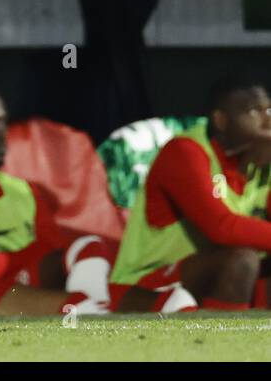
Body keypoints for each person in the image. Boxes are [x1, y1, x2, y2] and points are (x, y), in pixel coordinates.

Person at [0, 81, 116, 317]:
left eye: (2, 121)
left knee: (89, 245)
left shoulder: (24, 190)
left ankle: (92, 308)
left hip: (26, 278)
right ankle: (86, 309)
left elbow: (50, 253)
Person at [112, 76, 271, 312]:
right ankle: (224, 344)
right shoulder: (184, 152)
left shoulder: (261, 160)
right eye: (254, 111)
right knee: (242, 261)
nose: (267, 118)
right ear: (221, 120)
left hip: (205, 276)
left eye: (269, 109)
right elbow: (221, 228)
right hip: (146, 284)